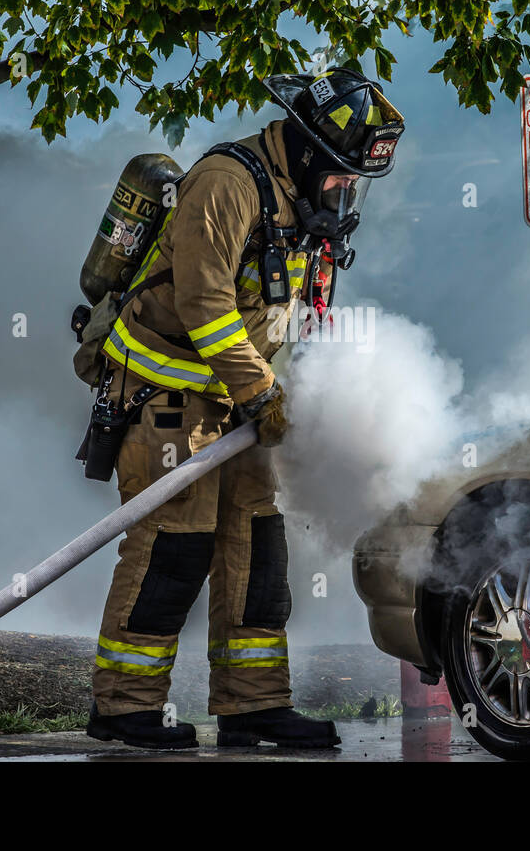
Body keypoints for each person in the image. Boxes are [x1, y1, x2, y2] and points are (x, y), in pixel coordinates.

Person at [87, 68, 405, 748]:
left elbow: (295, 311)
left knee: (257, 551)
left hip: (240, 403)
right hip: (167, 398)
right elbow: (205, 306)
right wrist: (261, 393)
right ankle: (124, 705)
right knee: (175, 546)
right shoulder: (225, 186)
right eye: (341, 176)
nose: (345, 192)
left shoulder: (299, 199)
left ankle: (254, 704)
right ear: (312, 152)